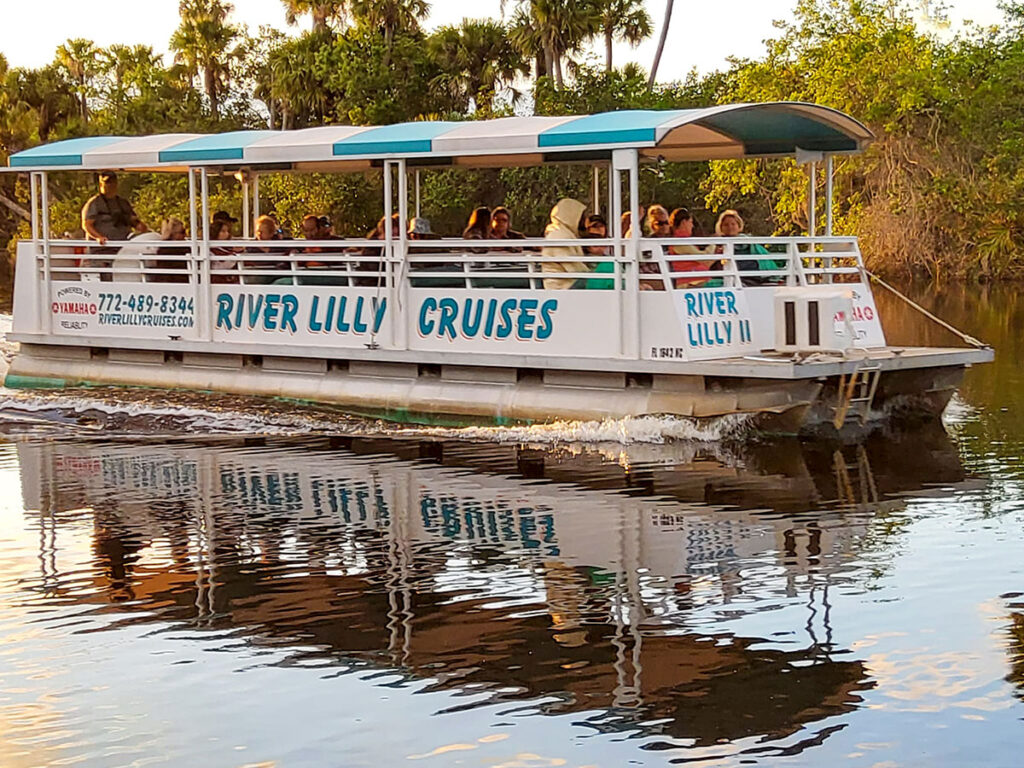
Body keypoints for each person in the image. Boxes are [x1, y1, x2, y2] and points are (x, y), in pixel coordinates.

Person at [715, 209, 784, 286]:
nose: (730, 227)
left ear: (738, 226)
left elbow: (764, 261)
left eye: (733, 224)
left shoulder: (749, 243)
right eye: (726, 225)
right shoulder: (717, 244)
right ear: (721, 227)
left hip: (752, 275)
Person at [82, 171, 148, 246]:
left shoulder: (123, 203)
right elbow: (87, 225)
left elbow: (134, 221)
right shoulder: (94, 203)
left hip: (124, 245)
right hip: (103, 247)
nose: (110, 185)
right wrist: (99, 237)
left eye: (113, 182)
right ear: (101, 184)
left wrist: (142, 227)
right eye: (107, 182)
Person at [541, 198, 588, 290]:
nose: (585, 219)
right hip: (562, 286)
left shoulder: (566, 233)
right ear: (571, 215)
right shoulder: (558, 236)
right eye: (581, 216)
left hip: (571, 281)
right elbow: (574, 268)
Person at [667, 207, 713, 288]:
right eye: (691, 222)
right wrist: (714, 244)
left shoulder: (683, 241)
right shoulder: (680, 243)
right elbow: (705, 259)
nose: (692, 226)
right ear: (684, 222)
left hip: (695, 281)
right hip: (689, 283)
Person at [582, 214, 616, 290]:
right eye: (595, 226)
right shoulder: (584, 252)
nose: (598, 229)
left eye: (601, 226)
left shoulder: (614, 242)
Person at [150, 218, 188, 283]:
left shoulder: (162, 248)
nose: (185, 235)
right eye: (183, 232)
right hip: (179, 281)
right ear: (173, 234)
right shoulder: (181, 249)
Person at [210, 218, 239, 284]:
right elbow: (219, 266)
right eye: (223, 231)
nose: (227, 234)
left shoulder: (228, 247)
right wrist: (234, 257)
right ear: (215, 232)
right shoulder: (211, 249)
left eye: (227, 231)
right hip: (218, 281)